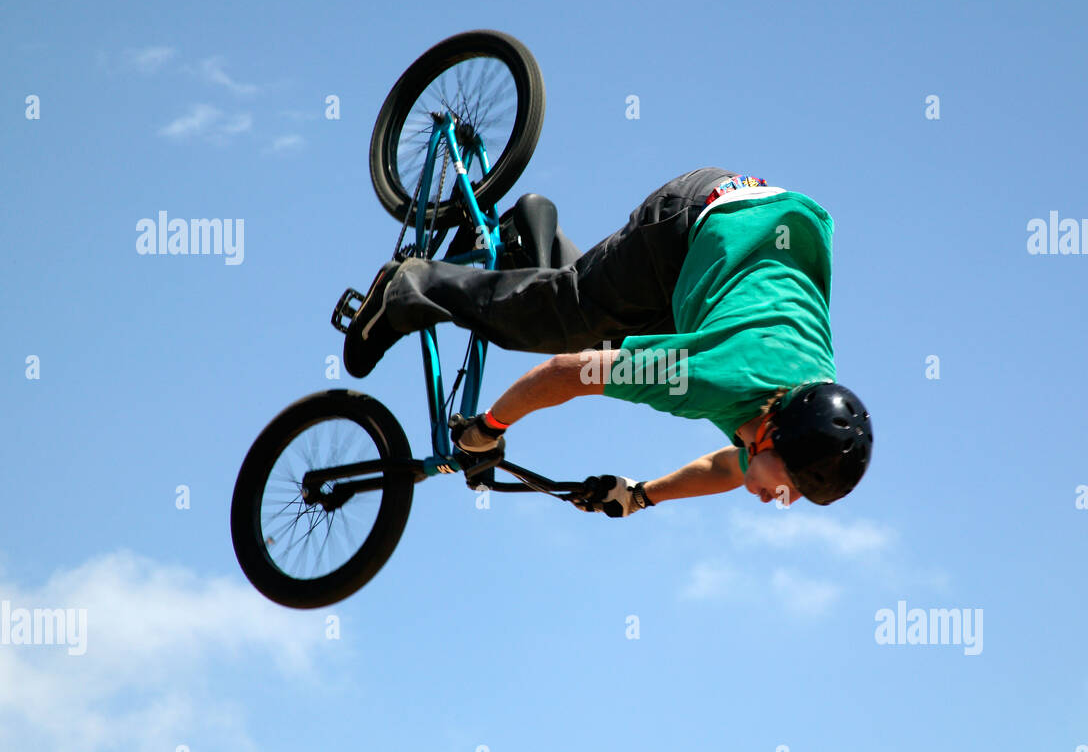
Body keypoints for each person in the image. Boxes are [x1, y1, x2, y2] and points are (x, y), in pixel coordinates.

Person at [342, 167, 872, 517]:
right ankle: (407, 287)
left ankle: (535, 237)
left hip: (758, 237)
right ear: (774, 432)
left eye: (798, 493)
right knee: (570, 323)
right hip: (692, 219)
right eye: (792, 484)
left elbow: (727, 468)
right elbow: (568, 374)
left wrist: (642, 495)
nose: (784, 498)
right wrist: (488, 428)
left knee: (622, 338)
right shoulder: (705, 377)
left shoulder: (796, 404)